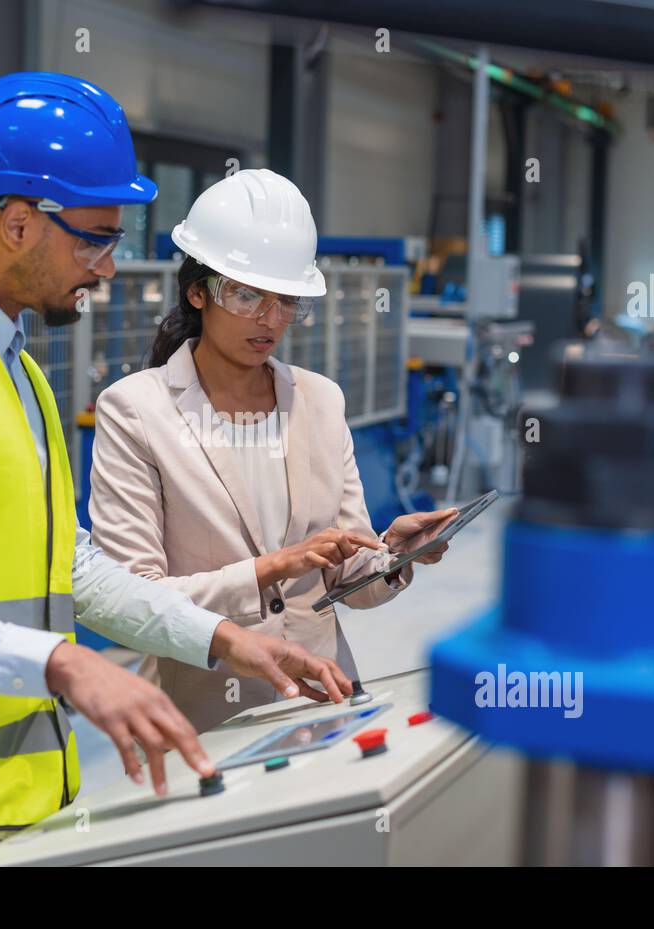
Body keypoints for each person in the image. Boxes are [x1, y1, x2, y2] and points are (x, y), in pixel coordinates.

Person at [0, 76, 351, 867]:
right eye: (95, 239)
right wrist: (61, 660)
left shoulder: (11, 366)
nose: (109, 268)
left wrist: (222, 637)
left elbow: (72, 567)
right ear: (17, 223)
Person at [89, 169, 456, 732]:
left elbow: (346, 584)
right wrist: (266, 569)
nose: (271, 320)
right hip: (206, 716)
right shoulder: (136, 411)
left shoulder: (320, 401)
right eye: (247, 295)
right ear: (197, 291)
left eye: (287, 301)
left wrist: (392, 557)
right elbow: (133, 598)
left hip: (324, 698)